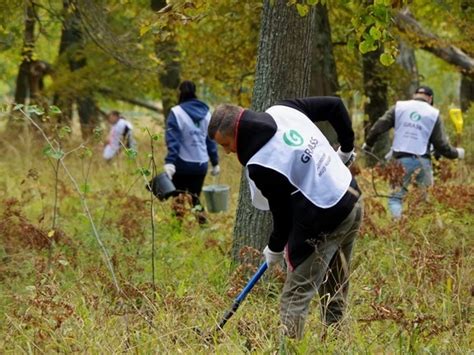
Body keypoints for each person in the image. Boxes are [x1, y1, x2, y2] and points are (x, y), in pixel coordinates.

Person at [208, 97, 363, 339]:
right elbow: (335, 105)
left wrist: (275, 248)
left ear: (237, 133)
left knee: (295, 296)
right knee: (334, 282)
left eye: (226, 144)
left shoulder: (261, 163)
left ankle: (288, 348)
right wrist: (346, 147)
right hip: (351, 199)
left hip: (327, 215)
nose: (227, 152)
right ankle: (336, 341)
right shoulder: (283, 110)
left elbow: (282, 212)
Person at [363, 86, 465, 219]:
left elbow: (379, 126)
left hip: (400, 160)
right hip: (423, 161)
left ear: (414, 95)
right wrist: (456, 153)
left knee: (395, 198)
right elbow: (441, 145)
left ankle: (399, 225)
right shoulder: (433, 113)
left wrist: (369, 143)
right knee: (424, 200)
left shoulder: (399, 107)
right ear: (430, 98)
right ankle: (419, 231)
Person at [164, 81, 220, 208]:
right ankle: (203, 225)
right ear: (195, 92)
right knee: (195, 198)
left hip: (182, 164)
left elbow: (173, 140)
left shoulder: (176, 112)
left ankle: (177, 227)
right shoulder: (206, 114)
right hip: (201, 164)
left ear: (180, 92)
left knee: (178, 199)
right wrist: (215, 163)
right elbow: (210, 140)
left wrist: (170, 162)